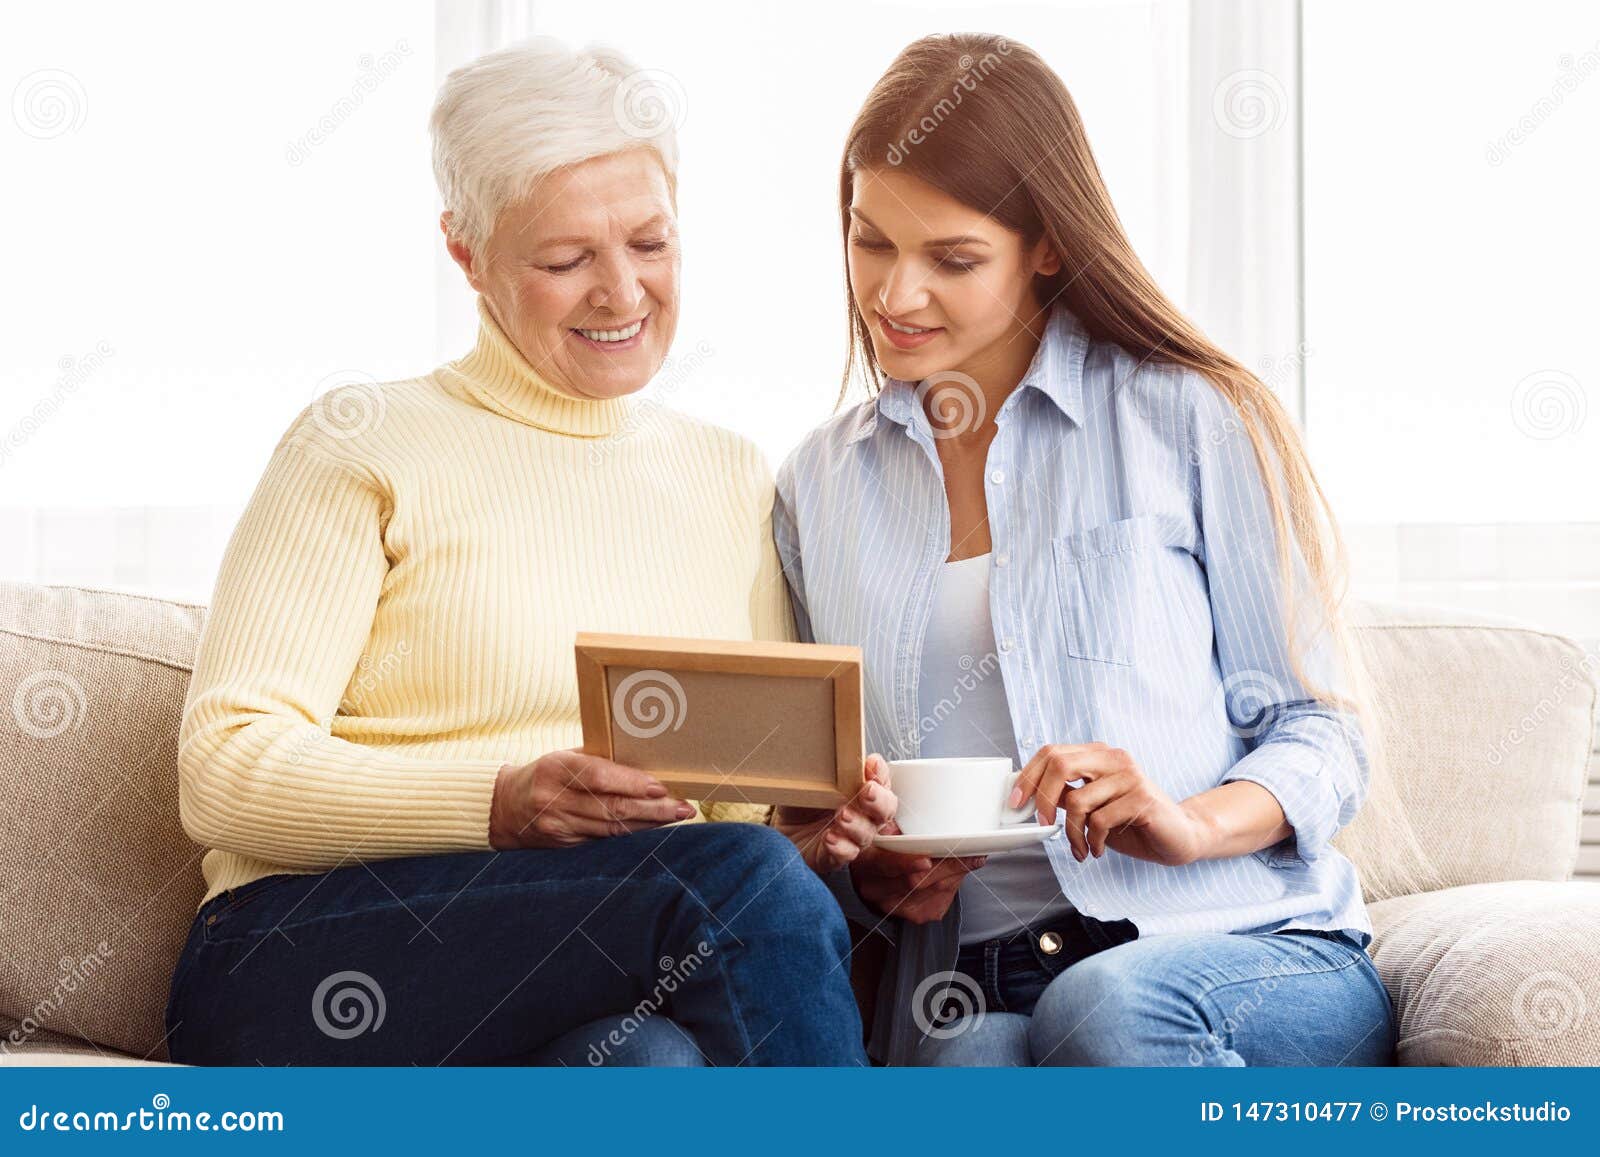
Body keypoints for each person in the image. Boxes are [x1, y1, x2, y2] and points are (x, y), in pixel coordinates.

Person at [164, 37, 878, 1067]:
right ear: (467, 253)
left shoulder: (726, 474)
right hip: (300, 951)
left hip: (599, 946)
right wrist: (499, 802)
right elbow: (223, 771)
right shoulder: (362, 439)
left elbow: (738, 817)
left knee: (646, 1066)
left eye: (649, 242)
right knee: (732, 883)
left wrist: (817, 827)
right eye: (565, 259)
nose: (621, 291)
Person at [772, 33, 1424, 1066]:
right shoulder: (818, 485)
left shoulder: (1189, 418)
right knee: (960, 1070)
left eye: (950, 258)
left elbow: (1322, 732)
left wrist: (1188, 822)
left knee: (1108, 1010)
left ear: (1047, 245)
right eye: (869, 242)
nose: (894, 296)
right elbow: (809, 801)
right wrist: (871, 871)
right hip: (973, 975)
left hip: (1235, 945)